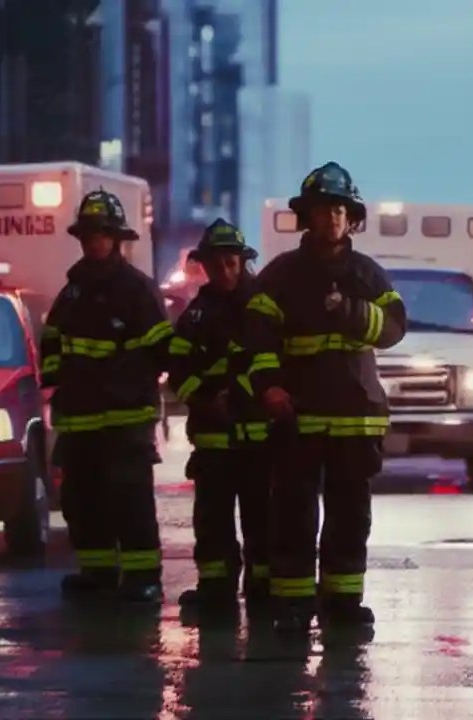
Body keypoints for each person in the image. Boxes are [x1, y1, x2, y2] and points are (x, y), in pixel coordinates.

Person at [243, 162, 407, 634]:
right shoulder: (280, 276)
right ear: (308, 216)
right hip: (299, 416)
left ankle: (344, 601)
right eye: (323, 209)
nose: (332, 217)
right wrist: (269, 386)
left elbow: (395, 328)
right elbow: (257, 339)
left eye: (339, 209)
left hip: (355, 419)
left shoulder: (368, 275)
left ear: (349, 216)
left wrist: (353, 312)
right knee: (293, 513)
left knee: (350, 516)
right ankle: (293, 604)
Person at [40, 190, 173, 603]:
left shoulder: (137, 290)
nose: (94, 241)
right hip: (80, 417)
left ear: (116, 238)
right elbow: (52, 342)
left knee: (129, 497)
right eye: (88, 235)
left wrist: (124, 380)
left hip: (125, 416)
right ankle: (97, 571)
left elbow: (161, 350)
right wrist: (58, 383)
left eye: (101, 234)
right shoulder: (73, 290)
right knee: (83, 499)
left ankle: (142, 576)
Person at [168, 219, 271, 612]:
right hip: (212, 438)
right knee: (212, 520)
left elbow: (273, 362)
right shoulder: (196, 314)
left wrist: (241, 394)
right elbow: (177, 370)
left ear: (241, 262)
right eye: (217, 265)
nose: (225, 272)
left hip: (260, 437)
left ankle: (263, 590)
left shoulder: (263, 307)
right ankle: (216, 588)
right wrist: (206, 399)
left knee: (263, 518)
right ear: (205, 267)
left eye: (231, 263)